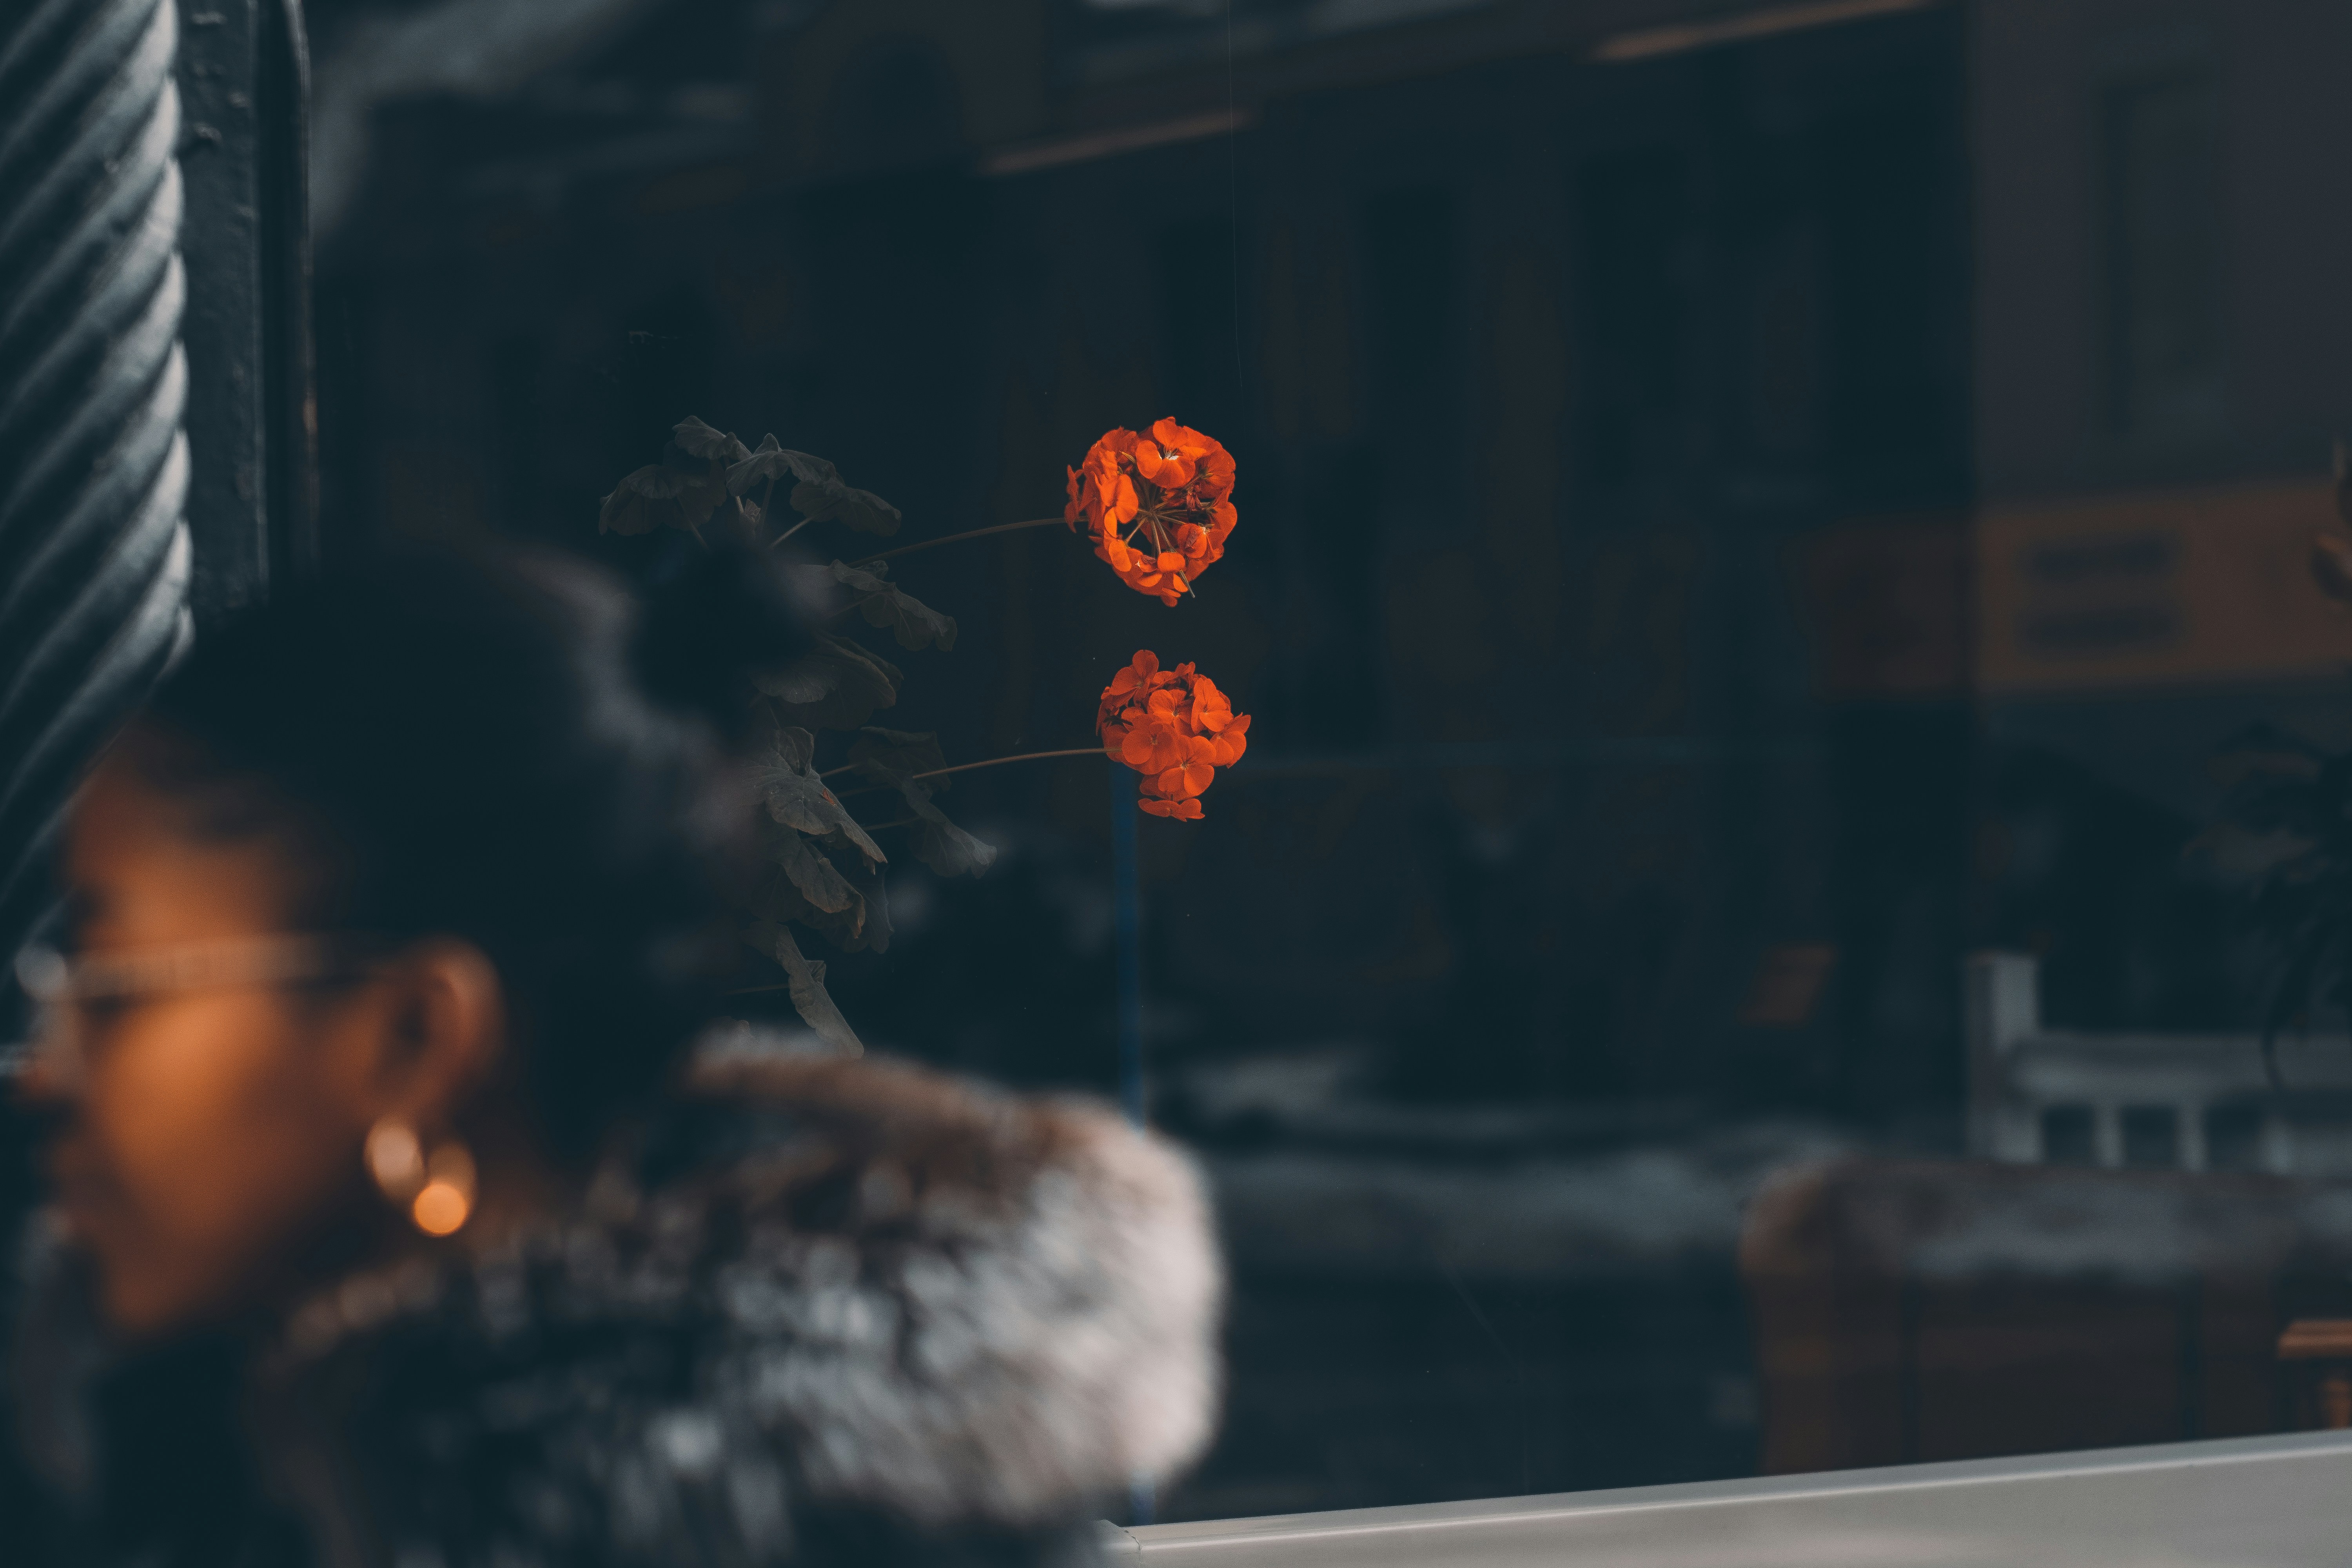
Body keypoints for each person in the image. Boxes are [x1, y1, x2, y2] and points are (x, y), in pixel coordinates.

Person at [0, 543, 1222, 1567]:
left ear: (413, 1037)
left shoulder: (885, 1532)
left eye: (109, 989)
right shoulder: (196, 1470)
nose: (42, 1069)